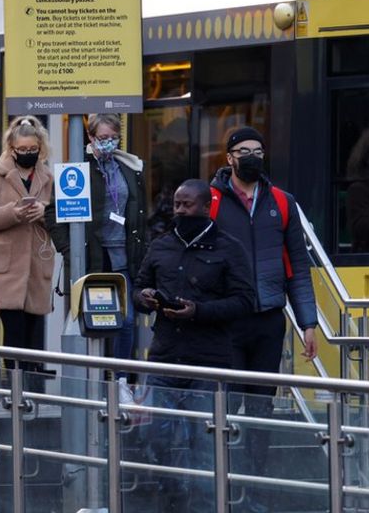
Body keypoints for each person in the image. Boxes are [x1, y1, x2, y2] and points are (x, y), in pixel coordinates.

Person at [207, 126, 317, 509]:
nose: (252, 156)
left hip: (269, 320)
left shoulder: (282, 203)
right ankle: (222, 488)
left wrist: (309, 322)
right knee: (226, 407)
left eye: (258, 150)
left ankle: (254, 490)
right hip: (227, 321)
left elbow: (298, 267)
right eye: (244, 150)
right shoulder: (212, 201)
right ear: (229, 158)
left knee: (261, 410)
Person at [132, 179, 255, 512]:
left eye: (187, 205)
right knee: (154, 440)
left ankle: (204, 507)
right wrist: (144, 299)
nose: (180, 211)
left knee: (205, 449)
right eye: (176, 204)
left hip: (208, 362)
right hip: (165, 358)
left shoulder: (230, 248)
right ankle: (170, 501)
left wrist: (198, 311)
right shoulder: (160, 245)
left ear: (205, 207)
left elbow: (245, 302)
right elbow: (140, 286)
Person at [47, 113, 148, 402]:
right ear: (90, 138)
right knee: (95, 320)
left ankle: (120, 381)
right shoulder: (78, 170)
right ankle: (93, 383)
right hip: (94, 256)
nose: (108, 142)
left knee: (126, 320)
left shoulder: (130, 167)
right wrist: (70, 250)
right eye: (102, 137)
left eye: (112, 137)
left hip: (125, 255)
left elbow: (140, 214)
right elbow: (51, 213)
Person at [0, 116, 55, 376]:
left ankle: (30, 393)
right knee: (15, 335)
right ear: (11, 149)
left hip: (36, 266)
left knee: (34, 337)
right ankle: (16, 392)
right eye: (23, 150)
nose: (28, 154)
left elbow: (63, 219)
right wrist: (13, 212)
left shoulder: (49, 177)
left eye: (33, 150)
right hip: (6, 270)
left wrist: (44, 212)